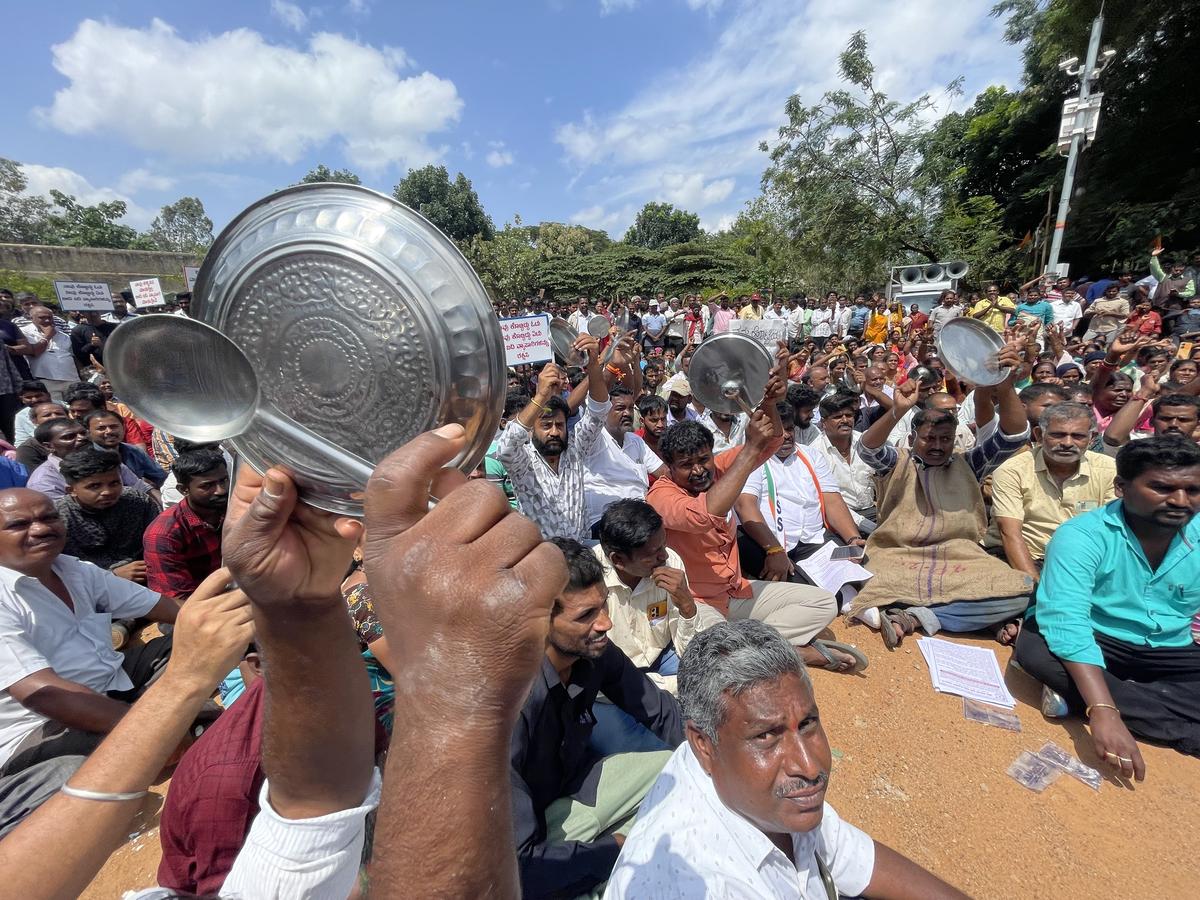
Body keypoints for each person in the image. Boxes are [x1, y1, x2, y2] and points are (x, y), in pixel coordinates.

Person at [606, 620, 970, 899]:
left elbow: (849, 854)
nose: (810, 767)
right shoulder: (701, 883)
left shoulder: (744, 777)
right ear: (703, 745)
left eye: (808, 724)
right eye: (767, 737)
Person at [1014, 437, 1200, 773]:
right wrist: (1103, 710)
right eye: (1161, 488)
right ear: (1121, 488)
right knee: (1035, 652)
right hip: (1096, 634)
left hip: (1167, 645)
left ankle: (1077, 697)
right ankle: (1173, 723)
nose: (1180, 501)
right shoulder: (1081, 535)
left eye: (1193, 490)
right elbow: (1068, 620)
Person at [512, 537, 680, 899]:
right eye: (585, 615)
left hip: (569, 792)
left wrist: (724, 760)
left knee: (678, 767)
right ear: (539, 621)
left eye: (603, 605)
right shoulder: (510, 707)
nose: (605, 623)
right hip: (526, 839)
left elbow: (660, 712)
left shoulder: (593, 654)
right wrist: (616, 848)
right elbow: (519, 864)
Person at [647, 366, 841, 670]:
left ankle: (759, 649)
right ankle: (789, 652)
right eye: (687, 465)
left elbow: (773, 441)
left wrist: (770, 402)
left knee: (823, 603)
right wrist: (750, 450)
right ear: (669, 467)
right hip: (698, 602)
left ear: (712, 454)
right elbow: (703, 516)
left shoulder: (720, 467)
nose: (699, 470)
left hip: (737, 593)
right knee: (714, 655)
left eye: (703, 459)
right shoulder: (660, 496)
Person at [851, 337, 1035, 648]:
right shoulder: (897, 461)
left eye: (945, 439)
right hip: (898, 555)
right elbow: (868, 450)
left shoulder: (969, 463)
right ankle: (966, 615)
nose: (937, 446)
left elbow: (1014, 436)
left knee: (1021, 593)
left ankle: (917, 616)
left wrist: (1003, 383)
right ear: (914, 436)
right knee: (874, 582)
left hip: (961, 556)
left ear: (955, 438)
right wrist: (896, 410)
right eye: (929, 438)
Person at [0, 488, 182, 779]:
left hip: (111, 682)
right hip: (44, 723)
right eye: (19, 524)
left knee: (193, 643)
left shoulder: (75, 570)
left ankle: (154, 724)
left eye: (49, 518)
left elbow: (161, 606)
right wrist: (143, 730)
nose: (41, 529)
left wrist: (223, 623)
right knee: (76, 769)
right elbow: (41, 695)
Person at [984, 402, 1117, 593]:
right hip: (1024, 556)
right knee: (1012, 593)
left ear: (1092, 438)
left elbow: (1111, 532)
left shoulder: (1109, 469)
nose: (1067, 443)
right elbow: (1009, 533)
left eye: (1078, 436)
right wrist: (1038, 589)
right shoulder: (1013, 470)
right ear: (1039, 435)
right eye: (1058, 434)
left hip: (1084, 559)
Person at [594, 499, 724, 693]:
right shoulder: (589, 580)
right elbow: (603, 680)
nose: (664, 556)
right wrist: (679, 686)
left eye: (664, 545)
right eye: (654, 553)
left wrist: (687, 607)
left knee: (722, 672)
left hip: (665, 656)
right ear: (618, 560)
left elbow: (688, 651)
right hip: (614, 682)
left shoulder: (670, 561)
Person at [496, 337, 611, 540]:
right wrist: (541, 396)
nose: (555, 432)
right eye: (546, 426)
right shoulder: (523, 461)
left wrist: (594, 363)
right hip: (541, 558)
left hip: (580, 553)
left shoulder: (575, 449)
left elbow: (598, 412)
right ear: (531, 429)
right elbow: (505, 448)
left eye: (559, 425)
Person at [54, 448, 159, 581]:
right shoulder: (58, 518)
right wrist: (111, 576)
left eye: (114, 483)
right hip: (90, 586)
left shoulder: (137, 501)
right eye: (95, 486)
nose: (107, 492)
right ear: (71, 490)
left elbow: (158, 541)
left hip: (148, 574)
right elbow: (60, 570)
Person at [143, 448, 228, 600]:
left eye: (224, 481)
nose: (220, 491)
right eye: (207, 486)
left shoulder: (234, 510)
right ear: (184, 490)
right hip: (191, 607)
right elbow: (176, 599)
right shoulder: (164, 534)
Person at [585, 386, 666, 535]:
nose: (627, 413)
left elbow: (665, 473)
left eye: (630, 408)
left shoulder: (636, 441)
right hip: (604, 522)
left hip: (641, 516)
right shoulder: (593, 440)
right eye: (620, 408)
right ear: (605, 411)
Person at [26, 418, 151, 500]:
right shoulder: (44, 481)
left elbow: (145, 490)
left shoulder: (107, 460)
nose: (81, 438)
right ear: (49, 446)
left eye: (83, 433)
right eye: (70, 437)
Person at [808, 391, 879, 530]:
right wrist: (867, 526)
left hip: (874, 511)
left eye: (849, 415)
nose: (845, 420)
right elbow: (826, 503)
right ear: (824, 423)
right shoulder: (814, 454)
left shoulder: (865, 442)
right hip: (838, 520)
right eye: (838, 417)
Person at [85, 408, 166, 489]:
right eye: (101, 428)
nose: (109, 431)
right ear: (88, 433)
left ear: (124, 428)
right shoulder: (86, 458)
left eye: (114, 427)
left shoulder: (133, 451)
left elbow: (161, 478)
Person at [17, 307, 76, 401]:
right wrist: (48, 335)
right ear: (32, 318)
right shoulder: (23, 332)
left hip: (70, 378)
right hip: (47, 380)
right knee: (56, 409)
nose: (47, 320)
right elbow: (34, 352)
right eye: (42, 317)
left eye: (50, 317)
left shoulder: (61, 334)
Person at [13, 402, 66, 472]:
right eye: (47, 415)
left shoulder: (80, 436)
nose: (54, 417)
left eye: (59, 414)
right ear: (34, 421)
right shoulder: (29, 448)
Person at [11, 382, 50, 446]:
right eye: (28, 397)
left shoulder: (66, 407)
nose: (34, 400)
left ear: (48, 395)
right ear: (22, 399)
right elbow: (21, 442)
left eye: (38, 396)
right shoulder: (21, 416)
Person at [635, 394, 668, 459]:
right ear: (642, 421)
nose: (660, 425)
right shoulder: (634, 441)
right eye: (654, 420)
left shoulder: (673, 439)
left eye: (663, 419)